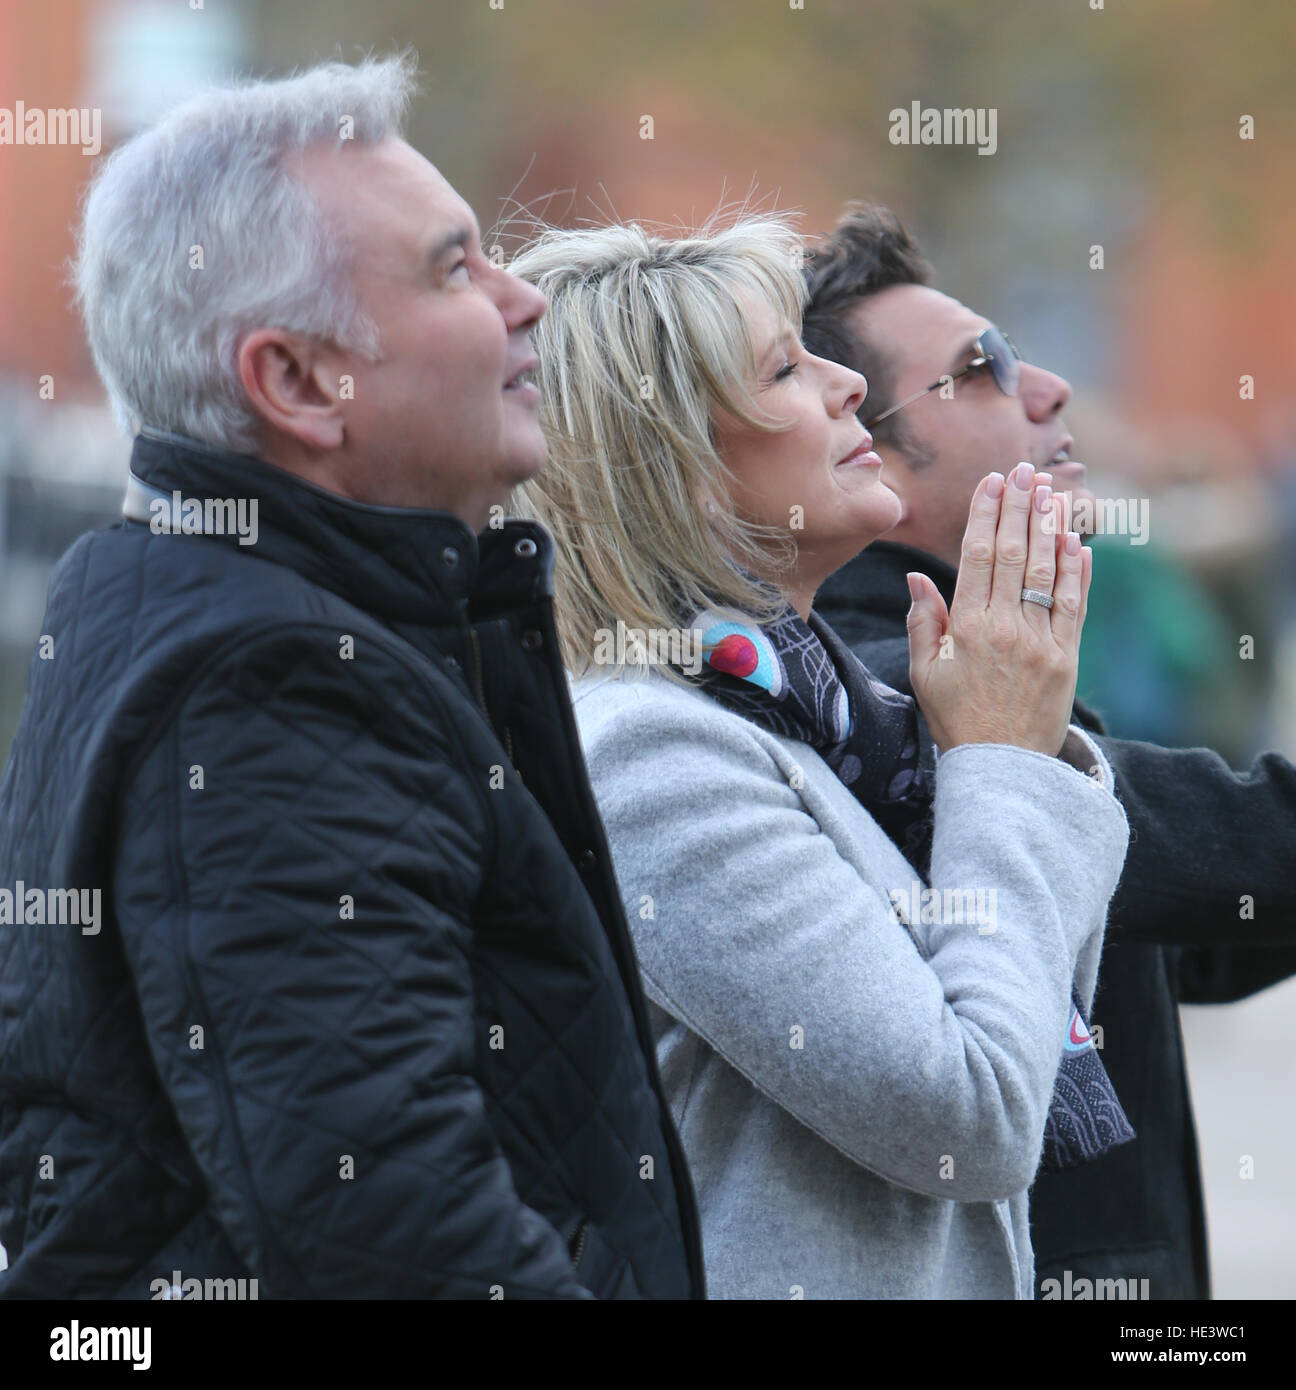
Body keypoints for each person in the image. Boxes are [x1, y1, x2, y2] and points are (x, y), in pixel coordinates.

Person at [0, 55, 704, 1300]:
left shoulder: (207, 604)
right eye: (455, 267)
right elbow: (393, 1235)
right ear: (294, 382)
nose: (522, 300)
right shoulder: (271, 679)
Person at [511, 213, 1132, 1299]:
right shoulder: (651, 751)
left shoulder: (836, 719)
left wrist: (1006, 749)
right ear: (675, 466)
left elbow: (1026, 1016)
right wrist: (1000, 761)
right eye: (787, 368)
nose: (846, 384)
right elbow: (970, 1116)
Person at [803, 202, 1296, 1299]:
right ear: (855, 440)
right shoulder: (882, 690)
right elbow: (1226, 846)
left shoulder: (965, 651)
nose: (1049, 388)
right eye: (984, 368)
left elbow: (1194, 936)